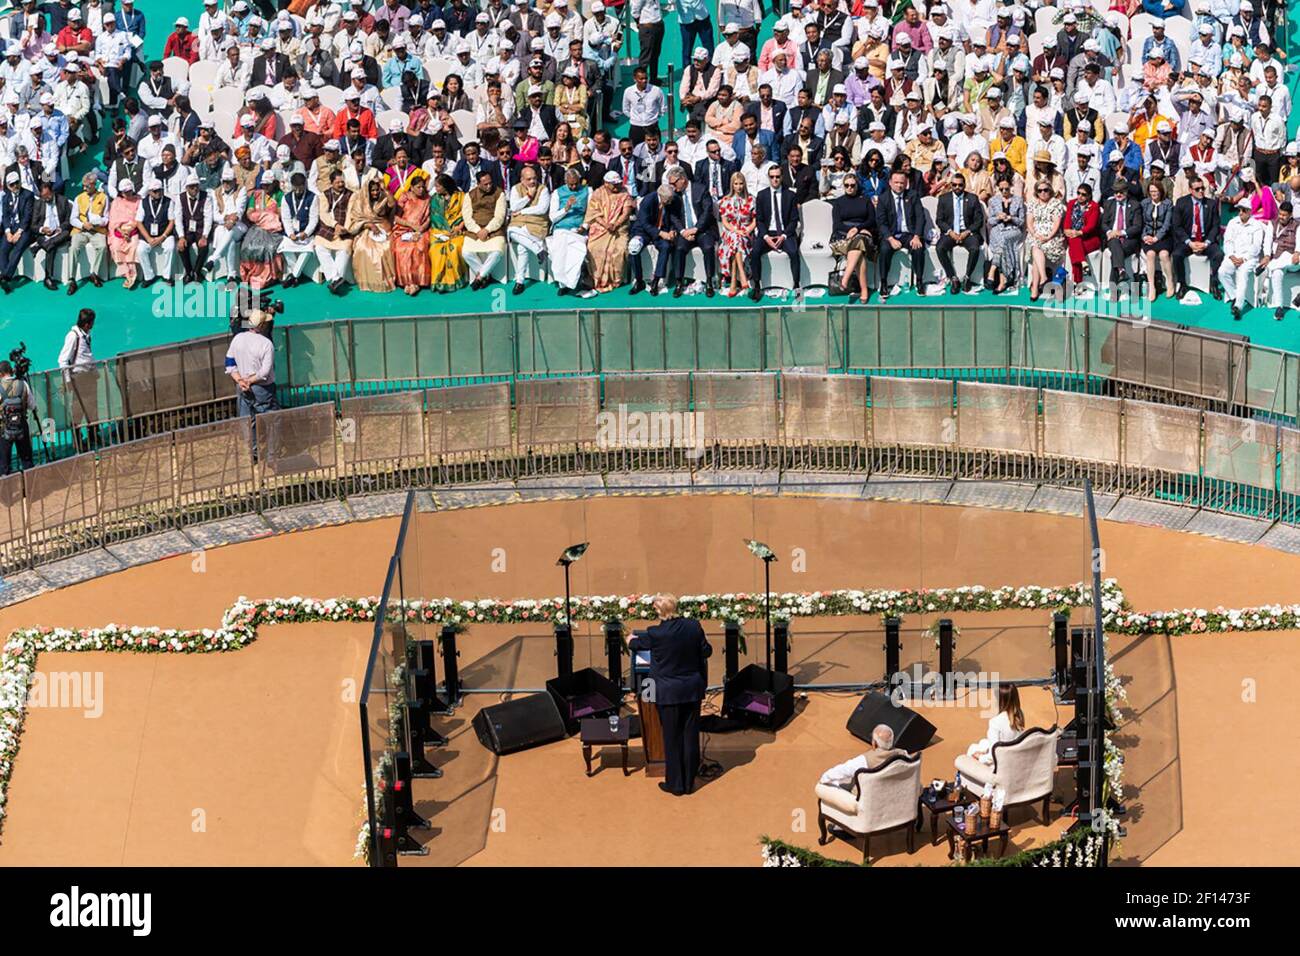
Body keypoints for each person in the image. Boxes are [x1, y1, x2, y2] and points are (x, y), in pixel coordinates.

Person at [626, 593, 712, 797]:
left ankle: (676, 785)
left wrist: (629, 639)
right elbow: (707, 651)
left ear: (659, 611)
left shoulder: (656, 633)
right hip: (691, 690)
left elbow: (634, 644)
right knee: (690, 736)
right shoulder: (693, 626)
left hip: (667, 693)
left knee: (671, 738)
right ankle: (690, 783)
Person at [224, 308, 279, 440]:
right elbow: (265, 372)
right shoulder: (266, 344)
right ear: (261, 325)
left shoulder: (238, 338)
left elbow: (229, 363)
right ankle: (272, 457)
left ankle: (252, 453)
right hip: (263, 389)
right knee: (272, 423)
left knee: (248, 422)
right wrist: (250, 381)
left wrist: (241, 381)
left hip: (242, 387)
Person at [748, 164, 801, 300]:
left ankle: (796, 284)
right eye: (772, 177)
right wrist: (766, 237)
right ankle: (757, 286)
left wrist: (783, 236)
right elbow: (759, 220)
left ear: (782, 177)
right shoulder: (762, 195)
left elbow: (794, 220)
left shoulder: (790, 195)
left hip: (784, 232)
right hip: (767, 233)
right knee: (755, 253)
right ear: (768, 178)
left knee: (794, 252)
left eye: (778, 177)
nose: (775, 180)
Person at [875, 170, 925, 300]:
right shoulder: (883, 198)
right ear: (890, 183)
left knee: (918, 248)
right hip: (890, 234)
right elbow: (881, 222)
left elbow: (920, 217)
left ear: (906, 183)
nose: (899, 185)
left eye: (902, 183)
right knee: (884, 249)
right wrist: (890, 239)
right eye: (896, 182)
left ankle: (919, 281)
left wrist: (917, 236)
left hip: (909, 234)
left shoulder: (913, 195)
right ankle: (884, 282)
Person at [1171, 174, 1223, 300]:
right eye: (1197, 189)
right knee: (1177, 255)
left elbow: (1216, 226)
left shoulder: (1211, 204)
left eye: (1202, 188)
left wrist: (1207, 243)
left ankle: (1214, 283)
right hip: (1189, 240)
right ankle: (1182, 283)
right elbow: (1177, 227)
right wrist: (1189, 243)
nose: (1201, 191)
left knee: (1218, 255)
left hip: (1205, 240)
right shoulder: (1181, 203)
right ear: (1190, 190)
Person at [583, 170, 635, 293]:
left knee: (619, 250)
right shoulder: (598, 193)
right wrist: (606, 225)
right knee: (593, 247)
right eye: (614, 184)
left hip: (619, 229)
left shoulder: (625, 193)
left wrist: (615, 224)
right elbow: (594, 214)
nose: (616, 186)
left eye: (618, 183)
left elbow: (626, 212)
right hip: (601, 227)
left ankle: (615, 280)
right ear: (606, 183)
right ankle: (595, 279)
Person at [935, 172, 984, 294]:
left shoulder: (973, 198)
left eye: (960, 185)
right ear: (951, 185)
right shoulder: (943, 198)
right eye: (954, 185)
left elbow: (979, 221)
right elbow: (939, 220)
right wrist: (950, 232)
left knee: (975, 248)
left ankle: (967, 277)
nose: (957, 188)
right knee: (940, 247)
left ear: (964, 185)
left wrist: (967, 232)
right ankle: (953, 278)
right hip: (950, 232)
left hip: (967, 232)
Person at [829, 172, 875, 303]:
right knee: (859, 250)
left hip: (862, 232)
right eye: (847, 185)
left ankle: (845, 278)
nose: (850, 188)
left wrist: (857, 229)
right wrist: (850, 230)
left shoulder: (865, 200)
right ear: (843, 186)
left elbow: (872, 220)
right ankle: (864, 289)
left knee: (859, 240)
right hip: (843, 235)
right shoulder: (838, 202)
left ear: (857, 186)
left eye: (852, 185)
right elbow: (837, 224)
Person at [349, 171, 397, 292]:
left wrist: (384, 189)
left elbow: (392, 204)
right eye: (373, 190)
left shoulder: (383, 198)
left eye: (377, 190)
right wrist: (369, 225)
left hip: (383, 227)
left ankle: (385, 281)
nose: (375, 193)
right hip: (365, 228)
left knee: (385, 249)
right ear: (367, 191)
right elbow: (356, 219)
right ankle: (368, 282)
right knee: (364, 248)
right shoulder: (360, 200)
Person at [818, 723, 909, 787]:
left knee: (835, 782)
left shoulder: (865, 760)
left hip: (870, 799)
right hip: (892, 792)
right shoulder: (903, 754)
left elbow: (840, 772)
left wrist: (824, 778)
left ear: (874, 743)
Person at [507, 163, 550, 294]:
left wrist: (522, 212)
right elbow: (514, 206)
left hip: (536, 224)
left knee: (522, 247)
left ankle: (519, 281)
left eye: (534, 178)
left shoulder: (543, 189)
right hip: (519, 225)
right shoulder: (516, 188)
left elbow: (542, 209)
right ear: (522, 180)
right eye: (529, 179)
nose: (532, 181)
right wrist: (528, 197)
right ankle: (538, 250)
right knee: (510, 230)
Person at [546, 166, 589, 296]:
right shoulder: (557, 193)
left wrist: (585, 226)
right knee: (559, 253)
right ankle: (563, 284)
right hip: (561, 228)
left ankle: (574, 281)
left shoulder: (588, 191)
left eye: (576, 184)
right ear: (566, 182)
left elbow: (591, 213)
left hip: (578, 229)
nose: (574, 187)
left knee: (577, 251)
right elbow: (552, 217)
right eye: (571, 185)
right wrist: (566, 208)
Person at [1220, 198, 1266, 320]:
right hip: (1233, 255)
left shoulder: (1257, 226)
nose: (1240, 212)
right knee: (1222, 272)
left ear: (1250, 211)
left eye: (1244, 210)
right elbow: (1227, 241)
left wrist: (1243, 259)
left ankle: (1238, 307)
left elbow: (1256, 247)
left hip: (1249, 258)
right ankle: (1235, 296)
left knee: (1243, 274)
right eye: (1239, 209)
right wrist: (1231, 255)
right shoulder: (1232, 222)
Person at [58, 308, 97, 451]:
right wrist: (68, 381)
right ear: (87, 324)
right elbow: (63, 360)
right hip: (79, 378)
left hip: (89, 376)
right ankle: (77, 440)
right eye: (92, 322)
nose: (93, 325)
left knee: (92, 408)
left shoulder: (86, 335)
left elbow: (86, 355)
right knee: (78, 410)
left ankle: (93, 435)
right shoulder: (73, 336)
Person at [462, 168, 506, 289]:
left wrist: (487, 230)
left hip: (494, 230)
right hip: (474, 231)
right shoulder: (469, 195)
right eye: (485, 184)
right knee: (466, 253)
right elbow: (467, 218)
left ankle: (480, 277)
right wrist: (478, 230)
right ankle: (485, 275)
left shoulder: (499, 193)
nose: (489, 186)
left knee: (497, 252)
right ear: (478, 184)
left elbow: (500, 216)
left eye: (490, 183)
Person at [30, 175, 72, 291]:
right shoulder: (38, 204)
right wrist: (42, 229)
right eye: (43, 196)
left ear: (52, 191)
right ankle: (48, 277)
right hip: (44, 234)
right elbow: (33, 226)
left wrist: (60, 228)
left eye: (47, 195)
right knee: (51, 247)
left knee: (66, 233)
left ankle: (40, 246)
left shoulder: (63, 200)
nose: (46, 198)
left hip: (59, 232)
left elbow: (69, 221)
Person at [315, 168, 354, 295]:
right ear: (331, 183)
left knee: (344, 249)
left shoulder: (352, 195)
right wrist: (335, 225)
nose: (341, 184)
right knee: (319, 247)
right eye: (338, 182)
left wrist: (344, 228)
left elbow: (350, 213)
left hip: (344, 229)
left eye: (342, 182)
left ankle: (334, 280)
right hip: (328, 228)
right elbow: (323, 214)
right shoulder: (324, 195)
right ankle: (336, 278)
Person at [393, 168, 431, 295]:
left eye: (423, 187)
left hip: (421, 230)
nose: (421, 190)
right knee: (401, 249)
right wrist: (410, 225)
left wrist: (421, 229)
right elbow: (396, 217)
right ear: (412, 188)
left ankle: (417, 282)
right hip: (403, 229)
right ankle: (407, 282)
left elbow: (430, 218)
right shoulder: (404, 197)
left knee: (419, 248)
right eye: (418, 187)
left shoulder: (427, 199)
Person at [718, 171, 756, 298]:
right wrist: (736, 230)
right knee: (735, 239)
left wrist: (747, 230)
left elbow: (755, 221)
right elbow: (725, 222)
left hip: (746, 233)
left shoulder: (751, 200)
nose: (739, 187)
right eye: (736, 184)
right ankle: (742, 276)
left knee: (737, 241)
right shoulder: (725, 200)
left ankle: (734, 282)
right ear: (732, 185)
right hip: (730, 232)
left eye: (741, 184)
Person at [965, 685, 1025, 764]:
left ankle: (962, 776)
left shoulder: (995, 722)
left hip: (999, 765)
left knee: (972, 749)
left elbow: (993, 756)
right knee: (983, 742)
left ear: (1000, 701)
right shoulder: (1019, 716)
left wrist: (980, 757)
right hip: (1012, 756)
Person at [1026, 180, 1065, 300]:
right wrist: (1034, 234)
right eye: (1040, 190)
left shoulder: (1056, 203)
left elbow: (1056, 224)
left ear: (1050, 191)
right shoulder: (1032, 203)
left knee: (1037, 248)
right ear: (1036, 192)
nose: (1043, 193)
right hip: (1036, 235)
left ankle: (1035, 288)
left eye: (1046, 190)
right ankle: (1043, 278)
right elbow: (1029, 222)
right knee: (1035, 245)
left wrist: (1048, 237)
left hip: (1052, 237)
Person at [69, 171, 108, 293]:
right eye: (84, 186)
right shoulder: (78, 198)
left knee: (102, 247)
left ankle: (94, 274)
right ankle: (72, 279)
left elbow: (107, 218)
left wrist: (97, 222)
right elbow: (72, 219)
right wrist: (83, 224)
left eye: (87, 186)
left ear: (94, 184)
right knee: (73, 247)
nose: (85, 188)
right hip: (81, 230)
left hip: (97, 230)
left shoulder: (104, 197)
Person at [278, 171, 319, 287]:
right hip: (292, 233)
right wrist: (290, 233)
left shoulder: (313, 197)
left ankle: (294, 275)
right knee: (285, 247)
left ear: (305, 184)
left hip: (306, 234)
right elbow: (286, 218)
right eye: (296, 187)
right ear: (292, 185)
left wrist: (306, 233)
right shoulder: (286, 198)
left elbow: (314, 219)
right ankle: (296, 275)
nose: (298, 190)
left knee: (308, 249)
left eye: (301, 187)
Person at [428, 172, 467, 292]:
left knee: (454, 248)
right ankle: (439, 283)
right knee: (436, 250)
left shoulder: (461, 196)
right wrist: (444, 231)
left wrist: (458, 227)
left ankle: (456, 281)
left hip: (458, 230)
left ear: (445, 186)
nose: (436, 189)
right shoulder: (435, 198)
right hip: (439, 231)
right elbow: (435, 217)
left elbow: (466, 215)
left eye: (438, 186)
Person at [985, 178, 1025, 293]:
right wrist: (998, 217)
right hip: (998, 229)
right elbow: (990, 221)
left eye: (1006, 189)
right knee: (1002, 242)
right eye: (1001, 189)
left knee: (1003, 240)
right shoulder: (993, 201)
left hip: (1013, 230)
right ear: (998, 189)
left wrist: (1011, 218)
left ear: (1010, 188)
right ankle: (1003, 281)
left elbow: (1021, 222)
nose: (1004, 191)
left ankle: (992, 271)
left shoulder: (1018, 200)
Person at [1263, 202, 1300, 319]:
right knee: (1277, 273)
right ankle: (1279, 307)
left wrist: (1298, 252)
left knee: (1285, 258)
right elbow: (1267, 242)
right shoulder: (1272, 224)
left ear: (1290, 215)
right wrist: (1267, 255)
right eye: (1280, 214)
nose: (1281, 217)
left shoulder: (1297, 225)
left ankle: (1270, 266)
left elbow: (1299, 240)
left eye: (1284, 215)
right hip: (1277, 259)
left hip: (1292, 260)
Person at [1140, 180, 1175, 302]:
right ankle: (1152, 286)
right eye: (1151, 191)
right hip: (1148, 236)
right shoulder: (1144, 203)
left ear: (1160, 191)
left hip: (1163, 237)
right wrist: (1145, 236)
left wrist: (1156, 238)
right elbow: (1142, 223)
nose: (1153, 194)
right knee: (1150, 254)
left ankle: (1170, 282)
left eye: (1155, 191)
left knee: (1164, 255)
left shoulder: (1168, 204)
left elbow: (1167, 225)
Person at [176, 171, 214, 284]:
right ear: (187, 187)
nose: (195, 189)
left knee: (204, 246)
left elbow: (208, 218)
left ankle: (197, 272)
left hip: (200, 228)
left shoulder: (206, 196)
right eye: (192, 187)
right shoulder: (180, 198)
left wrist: (205, 235)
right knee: (181, 247)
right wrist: (181, 236)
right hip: (188, 229)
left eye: (196, 186)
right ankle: (188, 272)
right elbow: (178, 218)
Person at [0, 359, 36, 476]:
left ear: (0, 374)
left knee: (4, 464)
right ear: (11, 370)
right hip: (22, 427)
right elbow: (33, 405)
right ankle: (30, 487)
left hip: (4, 430)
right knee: (26, 460)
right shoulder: (23, 384)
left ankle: (8, 491)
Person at [0, 170, 33, 293]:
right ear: (8, 186)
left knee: (18, 249)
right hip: (11, 228)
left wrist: (19, 232)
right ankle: (4, 277)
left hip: (24, 229)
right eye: (12, 184)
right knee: (3, 249)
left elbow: (27, 216)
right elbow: (5, 216)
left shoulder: (28, 195)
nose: (15, 186)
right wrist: (8, 232)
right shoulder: (5, 197)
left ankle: (6, 276)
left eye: (17, 183)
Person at [1063, 182, 1102, 285]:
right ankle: (1083, 264)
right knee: (1074, 242)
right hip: (1073, 236)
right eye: (1078, 193)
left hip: (1089, 238)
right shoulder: (1071, 203)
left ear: (1089, 195)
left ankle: (1077, 282)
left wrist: (1079, 232)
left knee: (1074, 248)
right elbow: (1067, 220)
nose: (1080, 196)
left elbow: (1091, 226)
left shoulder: (1094, 206)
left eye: (1083, 194)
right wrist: (1067, 230)